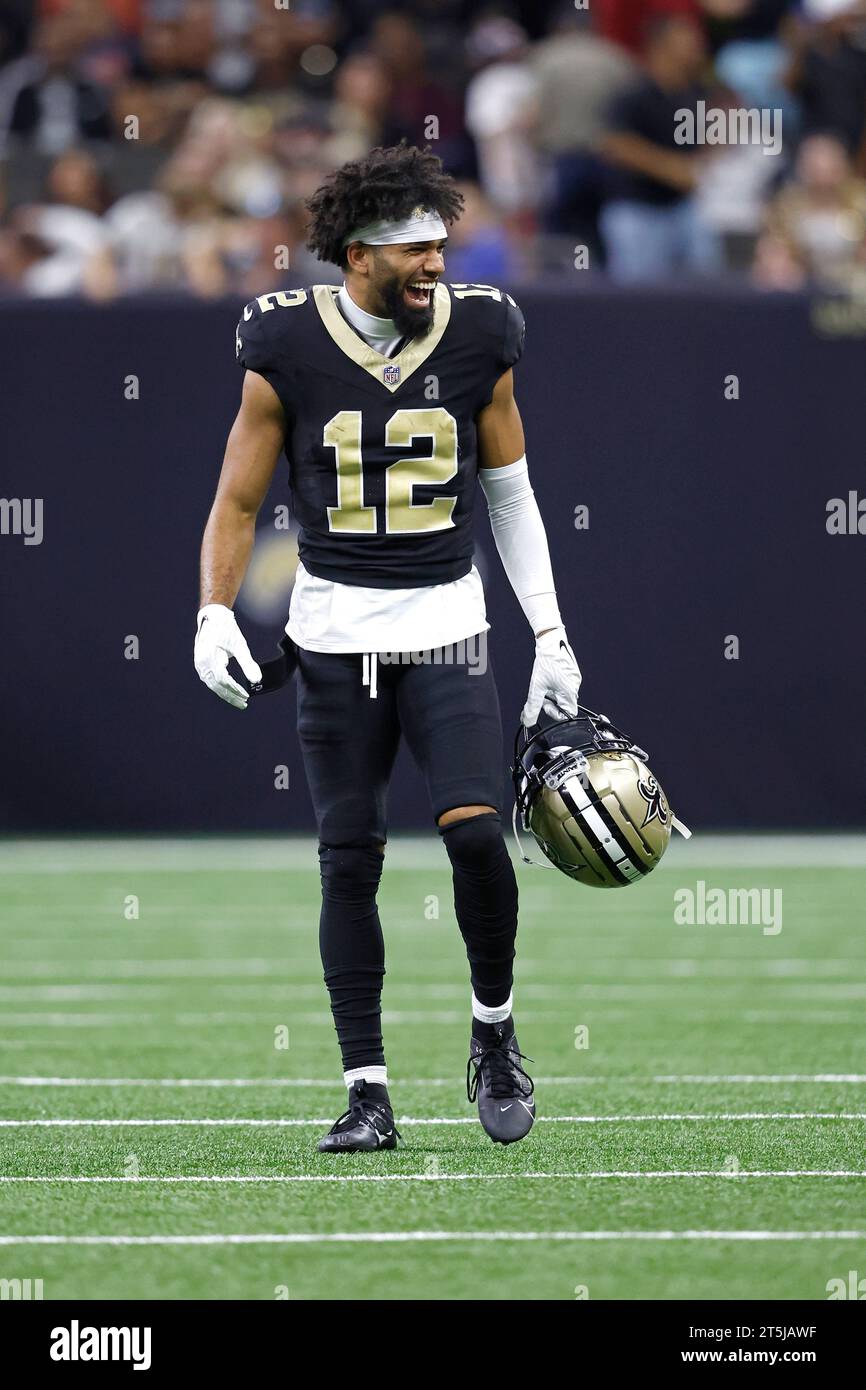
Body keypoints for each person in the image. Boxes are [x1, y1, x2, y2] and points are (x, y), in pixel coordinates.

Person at [194, 143, 581, 1152]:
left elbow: (510, 494)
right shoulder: (285, 340)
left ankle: (492, 1032)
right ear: (355, 253)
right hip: (329, 632)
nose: (433, 263)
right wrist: (211, 610)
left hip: (446, 627)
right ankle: (366, 1089)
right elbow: (238, 496)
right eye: (412, 247)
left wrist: (548, 630)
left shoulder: (482, 329)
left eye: (439, 244)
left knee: (470, 837)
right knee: (347, 859)